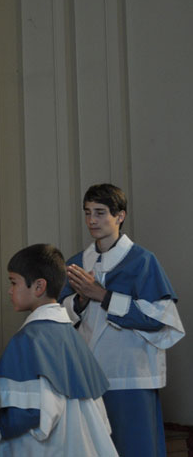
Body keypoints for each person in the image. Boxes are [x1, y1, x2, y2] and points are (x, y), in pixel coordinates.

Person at [58, 183, 185, 457]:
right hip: (89, 374)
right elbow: (58, 316)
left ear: (120, 216)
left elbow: (161, 321)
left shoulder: (142, 262)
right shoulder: (78, 263)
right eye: (88, 212)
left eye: (101, 212)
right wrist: (80, 300)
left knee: (134, 448)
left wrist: (102, 295)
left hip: (131, 377)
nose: (92, 220)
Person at [0, 244, 117, 455]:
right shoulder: (70, 335)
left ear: (39, 286)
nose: (10, 290)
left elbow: (25, 413)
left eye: (14, 282)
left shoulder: (28, 339)